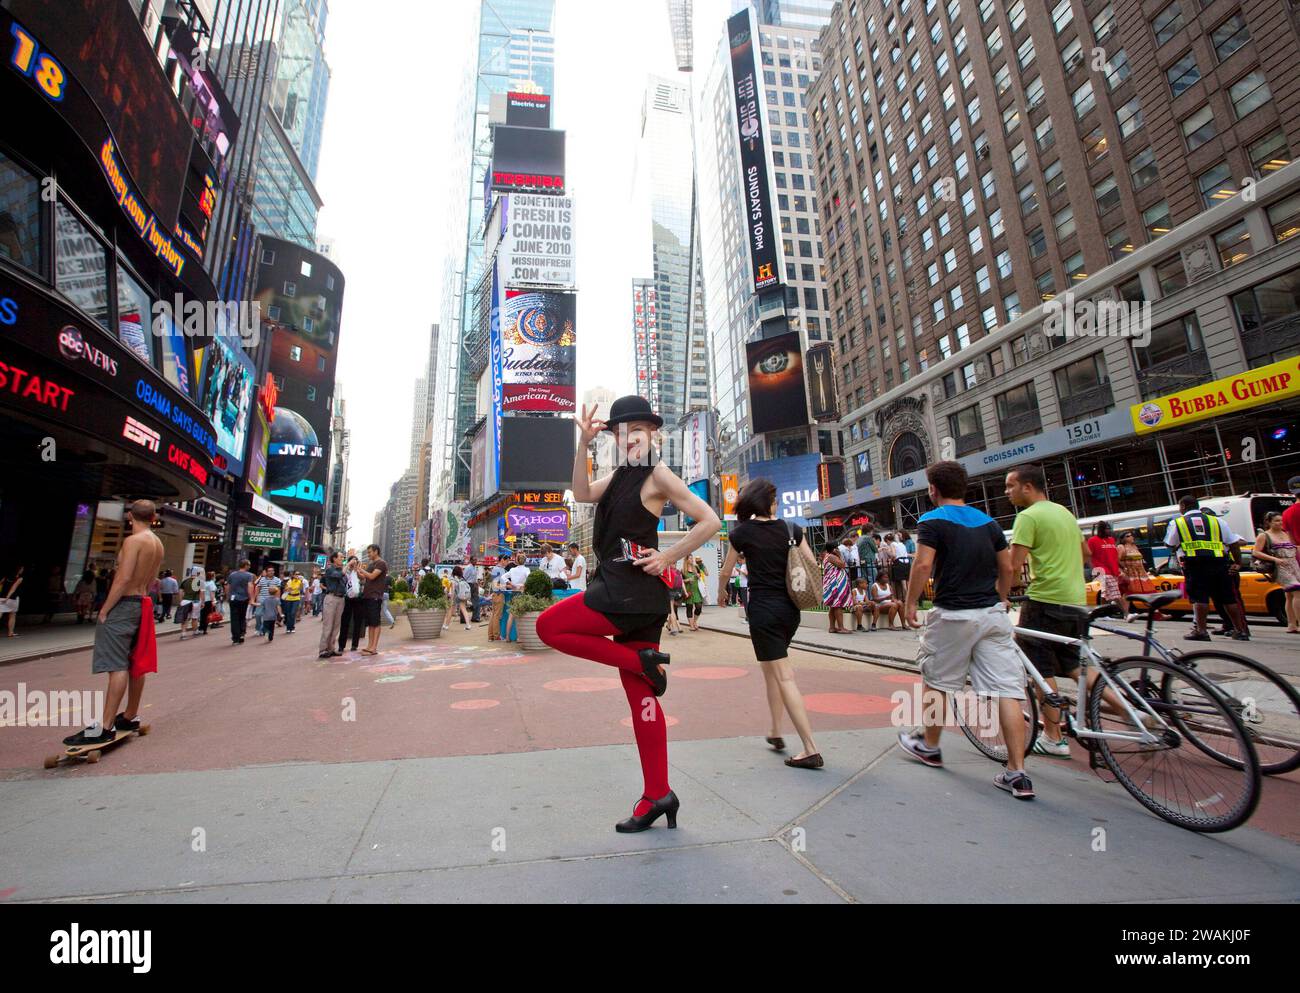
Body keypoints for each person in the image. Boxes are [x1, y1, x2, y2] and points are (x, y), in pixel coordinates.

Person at [536, 397, 720, 833]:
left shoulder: (658, 474)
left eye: (637, 429)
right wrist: (582, 444)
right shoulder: (619, 476)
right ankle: (658, 793)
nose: (628, 437)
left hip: (627, 592)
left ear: (653, 434)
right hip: (631, 595)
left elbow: (710, 520)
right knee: (642, 700)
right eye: (620, 432)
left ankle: (640, 662)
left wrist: (668, 557)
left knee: (549, 626)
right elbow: (580, 492)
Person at [898, 462, 1033, 799]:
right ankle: (1017, 772)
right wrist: (1001, 598)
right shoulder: (989, 523)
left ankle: (929, 746)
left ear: (933, 490)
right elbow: (1007, 567)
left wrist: (911, 602)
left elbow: (924, 564)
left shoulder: (931, 521)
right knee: (1007, 690)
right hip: (992, 614)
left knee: (937, 681)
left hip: (953, 615)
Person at [1006, 464, 1116, 759]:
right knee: (1075, 666)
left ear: (1027, 487)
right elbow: (1086, 554)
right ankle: (1133, 714)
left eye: (1010, 486)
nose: (1007, 492)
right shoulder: (1065, 513)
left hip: (1044, 600)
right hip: (1076, 600)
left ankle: (1053, 736)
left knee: (1039, 668)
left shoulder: (1027, 517)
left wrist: (1002, 595)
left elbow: (1014, 566)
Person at [718, 477, 823, 769]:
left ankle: (810, 748)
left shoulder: (741, 534)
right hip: (791, 611)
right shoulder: (792, 529)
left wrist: (721, 593)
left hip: (763, 612)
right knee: (771, 671)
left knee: (784, 675)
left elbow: (726, 571)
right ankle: (776, 731)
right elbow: (811, 565)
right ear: (769, 501)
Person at [62, 500, 164, 747]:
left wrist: (105, 609)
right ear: (153, 517)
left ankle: (106, 726)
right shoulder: (157, 543)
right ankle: (129, 715)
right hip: (142, 603)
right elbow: (151, 580)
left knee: (116, 664)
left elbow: (123, 577)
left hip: (125, 603)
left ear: (130, 516)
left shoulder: (133, 541)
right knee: (135, 662)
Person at [1165, 495, 1249, 642]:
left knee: (1199, 597)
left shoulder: (1177, 523)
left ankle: (1201, 631)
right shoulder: (1218, 521)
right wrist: (1237, 563)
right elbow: (1234, 543)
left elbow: (1170, 543)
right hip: (1219, 563)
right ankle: (1240, 630)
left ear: (1183, 506)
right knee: (1228, 598)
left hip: (1194, 564)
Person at [1254, 511, 1300, 633]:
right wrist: (1275, 559)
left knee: (1289, 596)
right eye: (1276, 521)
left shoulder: (1286, 533)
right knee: (1297, 592)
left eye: (1281, 520)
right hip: (1280, 568)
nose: (1280, 523)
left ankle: (1292, 625)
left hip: (1294, 565)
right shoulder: (1264, 535)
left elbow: (1296, 548)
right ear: (1268, 522)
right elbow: (1256, 552)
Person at [355, 545, 389, 656]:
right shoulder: (371, 564)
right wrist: (357, 571)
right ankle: (369, 646)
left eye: (370, 552)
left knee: (375, 622)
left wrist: (361, 570)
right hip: (368, 596)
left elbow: (372, 576)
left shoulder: (381, 563)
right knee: (370, 623)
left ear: (376, 552)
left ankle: (374, 647)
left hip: (375, 596)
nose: (368, 554)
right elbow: (364, 578)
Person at [318, 552, 347, 659]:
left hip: (341, 598)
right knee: (328, 625)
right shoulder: (330, 569)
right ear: (334, 559)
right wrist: (347, 565)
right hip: (331, 598)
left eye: (343, 558)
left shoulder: (341, 570)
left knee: (336, 625)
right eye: (340, 557)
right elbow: (340, 575)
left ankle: (331, 648)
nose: (342, 559)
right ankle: (323, 649)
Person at [821, 543, 852, 633]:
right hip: (835, 583)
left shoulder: (827, 556)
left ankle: (832, 627)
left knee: (833, 606)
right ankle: (841, 627)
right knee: (838, 605)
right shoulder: (832, 556)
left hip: (832, 582)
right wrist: (839, 555)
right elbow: (842, 565)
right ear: (834, 549)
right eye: (837, 547)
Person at [338, 556, 366, 654]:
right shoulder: (345, 571)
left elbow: (363, 580)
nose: (354, 563)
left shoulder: (360, 570)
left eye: (355, 561)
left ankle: (355, 645)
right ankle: (341, 645)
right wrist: (349, 565)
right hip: (347, 599)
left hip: (358, 599)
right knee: (345, 622)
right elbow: (340, 576)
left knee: (357, 622)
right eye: (352, 561)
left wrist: (357, 570)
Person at [225, 561, 255, 644]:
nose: (249, 567)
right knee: (242, 616)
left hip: (233, 598)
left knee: (234, 618)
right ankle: (242, 633)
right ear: (245, 565)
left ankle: (235, 637)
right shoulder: (249, 575)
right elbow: (250, 586)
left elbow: (227, 586)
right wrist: (251, 598)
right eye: (249, 565)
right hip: (243, 598)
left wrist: (227, 596)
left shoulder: (232, 575)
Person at [254, 566, 280, 636]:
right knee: (257, 614)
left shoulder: (277, 580)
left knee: (268, 616)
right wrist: (256, 598)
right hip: (262, 598)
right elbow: (258, 589)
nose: (271, 572)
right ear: (266, 572)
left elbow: (278, 590)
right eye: (269, 571)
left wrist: (277, 600)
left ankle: (262, 629)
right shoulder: (262, 579)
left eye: (272, 571)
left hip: (271, 599)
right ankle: (258, 628)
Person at [891, 531, 913, 605]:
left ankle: (906, 600)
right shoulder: (903, 544)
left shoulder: (893, 544)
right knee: (907, 583)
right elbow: (906, 554)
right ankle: (909, 599)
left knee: (902, 584)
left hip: (899, 562)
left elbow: (893, 555)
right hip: (907, 562)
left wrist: (891, 559)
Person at [682, 557, 704, 631]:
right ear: (686, 560)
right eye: (690, 558)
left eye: (692, 558)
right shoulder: (683, 570)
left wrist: (698, 575)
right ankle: (691, 625)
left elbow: (700, 576)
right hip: (689, 590)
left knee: (699, 606)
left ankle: (694, 622)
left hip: (696, 590)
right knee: (689, 607)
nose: (692, 560)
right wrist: (688, 580)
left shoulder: (696, 567)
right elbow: (681, 581)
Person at [0, 565, 22, 637]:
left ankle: (11, 633)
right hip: (12, 599)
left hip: (1, 597)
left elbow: (0, 585)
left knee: (0, 613)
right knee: (12, 615)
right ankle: (10, 632)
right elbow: (13, 589)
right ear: (18, 570)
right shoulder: (19, 578)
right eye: (21, 569)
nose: (22, 570)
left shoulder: (5, 578)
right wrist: (7, 597)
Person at [463, 557, 482, 622]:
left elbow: (474, 577)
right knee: (464, 601)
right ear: (470, 560)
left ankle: (475, 617)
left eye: (476, 560)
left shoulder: (475, 568)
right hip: (468, 585)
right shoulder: (468, 568)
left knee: (476, 601)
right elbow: (464, 577)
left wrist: (476, 583)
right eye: (474, 560)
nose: (475, 561)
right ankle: (463, 619)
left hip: (474, 585)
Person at [734, 553, 749, 621]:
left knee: (746, 602)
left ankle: (748, 618)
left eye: (739, 560)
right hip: (743, 585)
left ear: (743, 559)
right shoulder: (743, 565)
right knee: (744, 602)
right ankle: (747, 617)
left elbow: (747, 574)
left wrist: (739, 570)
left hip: (745, 586)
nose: (739, 562)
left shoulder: (745, 565)